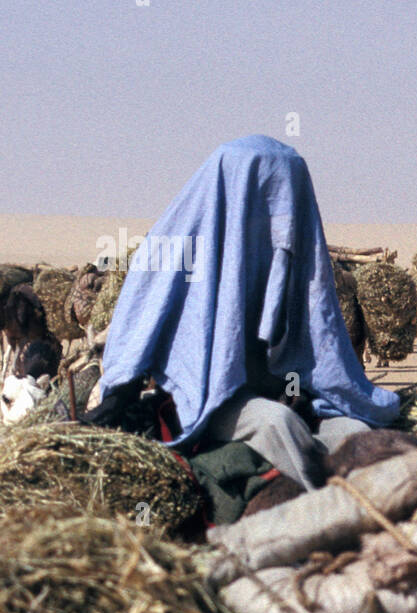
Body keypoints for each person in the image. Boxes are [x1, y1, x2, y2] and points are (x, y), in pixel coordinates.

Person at [98, 135, 398, 489]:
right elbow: (141, 325)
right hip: (211, 395)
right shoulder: (177, 245)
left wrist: (327, 390)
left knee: (355, 432)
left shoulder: (300, 254)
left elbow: (322, 339)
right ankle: (326, 516)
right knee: (277, 424)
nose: (282, 214)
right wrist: (119, 395)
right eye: (270, 200)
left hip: (290, 391)